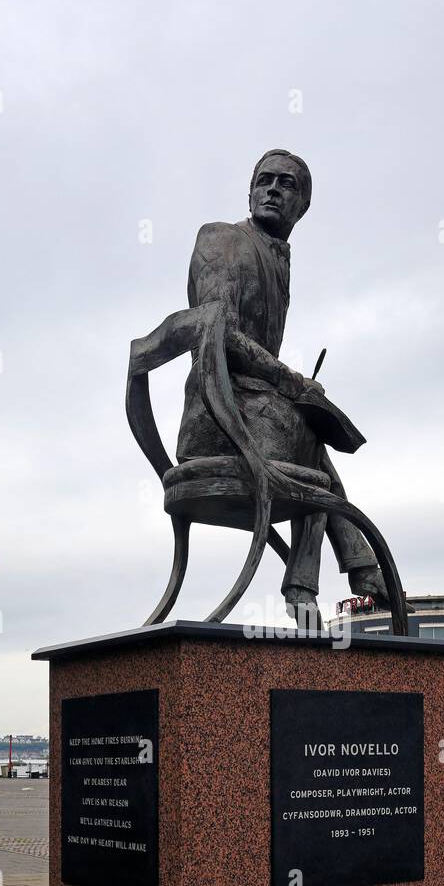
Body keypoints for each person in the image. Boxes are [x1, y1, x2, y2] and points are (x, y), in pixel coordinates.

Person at [131, 149, 394, 621]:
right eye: (265, 181)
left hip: (262, 414)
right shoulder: (221, 239)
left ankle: (345, 574)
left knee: (309, 429)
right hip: (218, 414)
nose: (273, 189)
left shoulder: (282, 260)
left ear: (301, 207)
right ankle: (322, 582)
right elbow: (219, 333)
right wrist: (292, 380)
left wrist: (292, 391)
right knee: (312, 435)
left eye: (287, 184)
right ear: (250, 190)